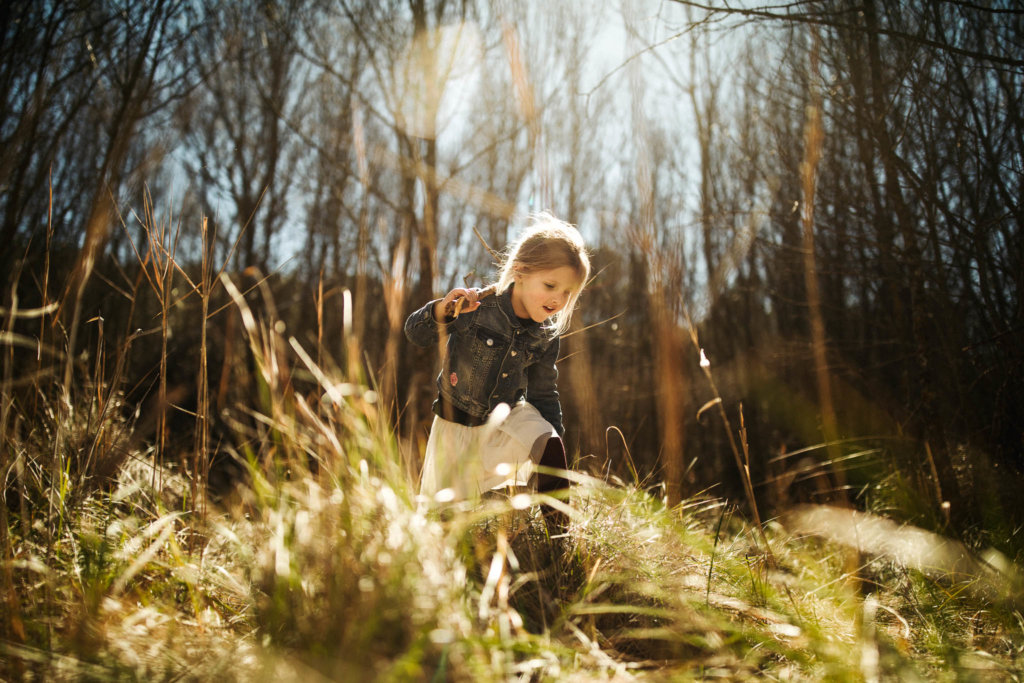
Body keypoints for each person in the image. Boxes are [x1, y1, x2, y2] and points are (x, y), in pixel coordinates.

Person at [404, 213, 590, 503]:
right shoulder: (475, 307)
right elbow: (415, 335)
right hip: (457, 428)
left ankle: (559, 540)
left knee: (548, 442)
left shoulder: (546, 335)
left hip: (508, 420)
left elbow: (544, 393)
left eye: (568, 292)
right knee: (442, 518)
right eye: (551, 286)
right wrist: (442, 311)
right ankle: (488, 511)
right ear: (520, 273)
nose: (559, 300)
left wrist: (556, 464)